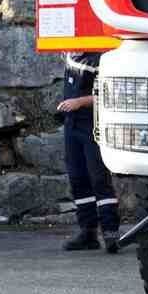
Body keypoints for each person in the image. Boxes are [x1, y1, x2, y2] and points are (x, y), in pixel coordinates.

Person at [57, 53, 120, 253]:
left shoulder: (98, 59)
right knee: (78, 178)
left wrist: (80, 102)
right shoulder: (69, 53)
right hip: (72, 124)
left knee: (99, 177)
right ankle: (88, 232)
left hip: (92, 124)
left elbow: (110, 93)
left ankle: (110, 232)